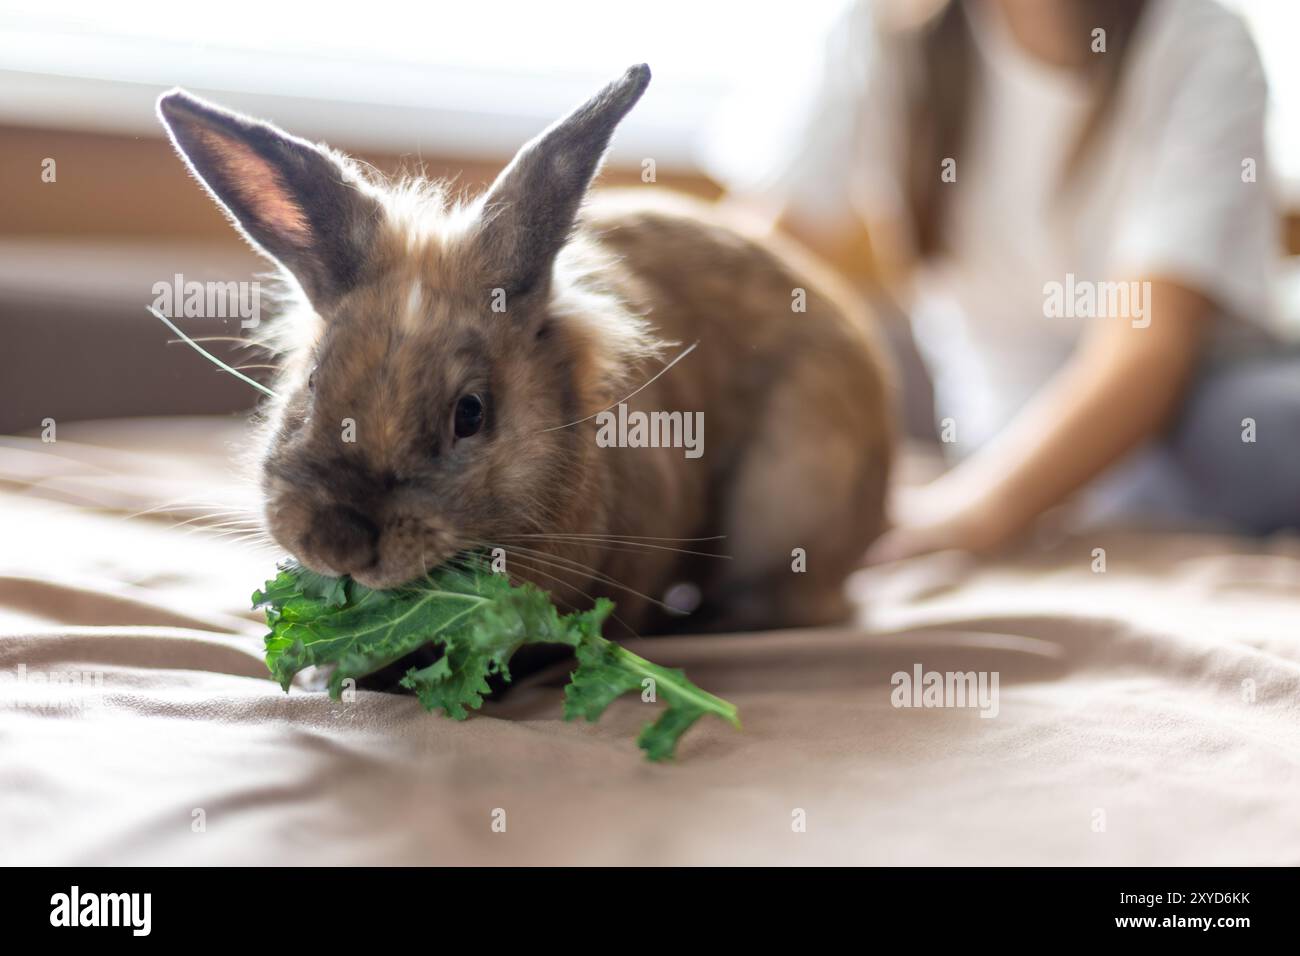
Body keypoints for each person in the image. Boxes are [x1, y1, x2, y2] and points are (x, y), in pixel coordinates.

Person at [713, 0, 1300, 560]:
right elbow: (762, 263)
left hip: (1184, 405)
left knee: (1260, 428)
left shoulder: (1200, 37)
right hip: (988, 413)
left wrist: (975, 510)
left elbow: (1148, 345)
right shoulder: (876, 29)